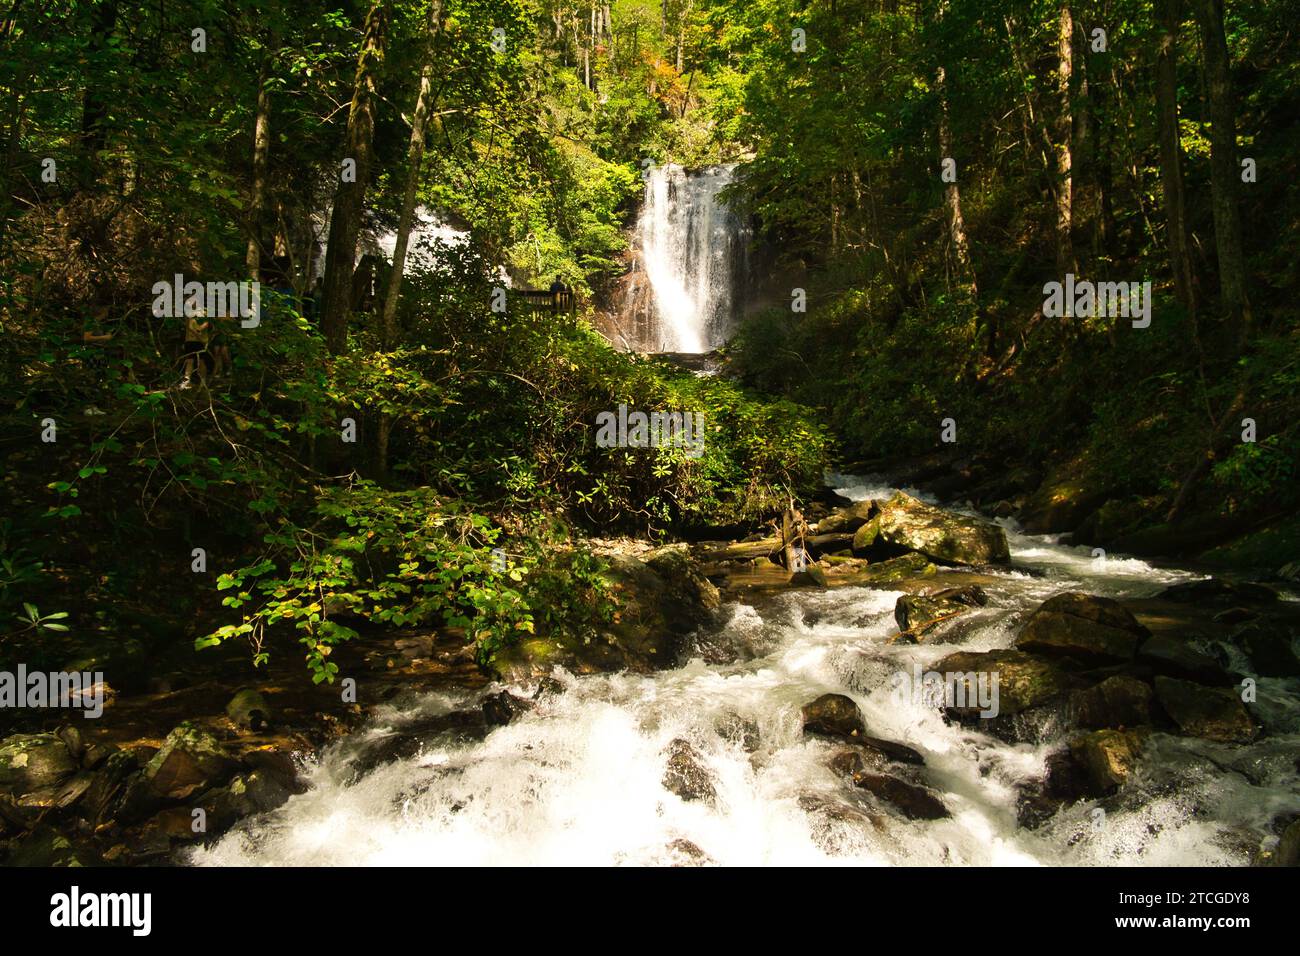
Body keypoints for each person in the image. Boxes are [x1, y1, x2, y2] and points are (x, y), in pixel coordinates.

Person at [81, 306, 115, 415]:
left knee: (97, 378)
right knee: (91, 378)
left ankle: (93, 406)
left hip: (98, 353)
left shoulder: (97, 323)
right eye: (106, 311)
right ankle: (88, 407)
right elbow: (86, 338)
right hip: (92, 354)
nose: (107, 314)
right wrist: (104, 338)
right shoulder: (90, 323)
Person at [179, 310, 213, 389]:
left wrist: (197, 332)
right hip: (190, 342)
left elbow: (203, 326)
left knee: (201, 361)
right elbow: (190, 327)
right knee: (189, 361)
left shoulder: (205, 314)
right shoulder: (190, 315)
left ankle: (203, 381)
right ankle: (186, 381)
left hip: (200, 342)